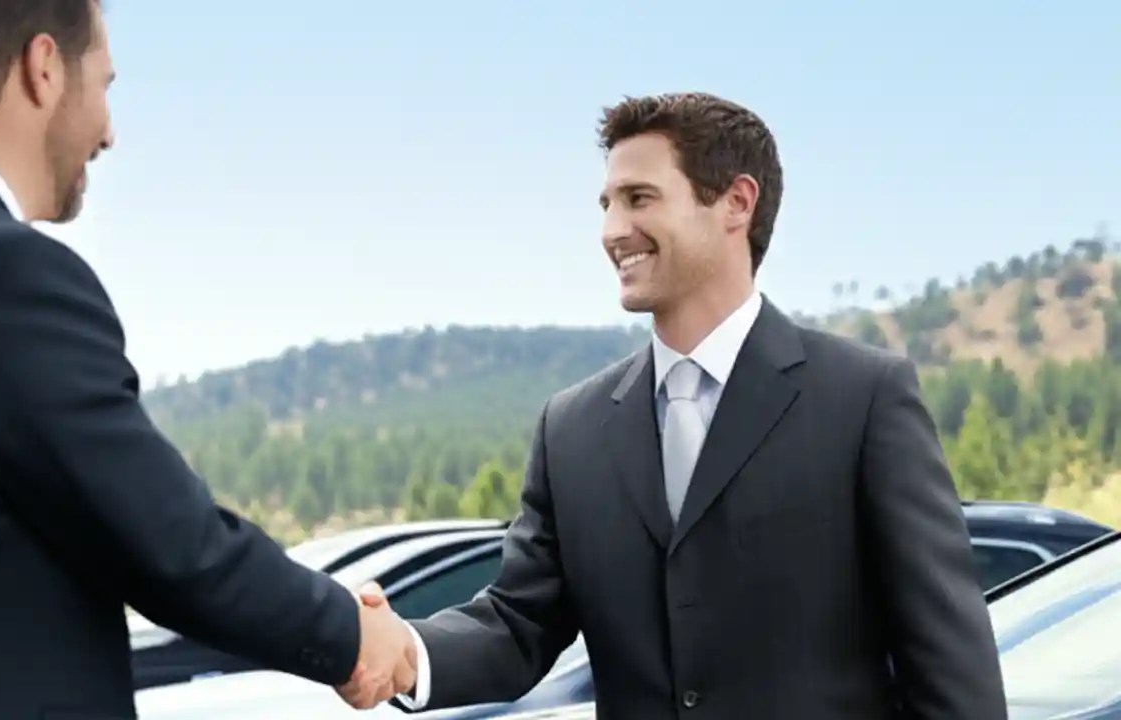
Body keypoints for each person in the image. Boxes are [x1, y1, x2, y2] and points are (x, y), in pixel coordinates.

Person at [346, 92, 1009, 718]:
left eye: (639, 199)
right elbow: (519, 623)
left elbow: (950, 666)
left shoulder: (863, 398)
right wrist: (405, 653)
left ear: (735, 203)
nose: (612, 230)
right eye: (606, 203)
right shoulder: (571, 429)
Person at [0, 2, 413, 718]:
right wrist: (351, 635)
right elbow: (168, 542)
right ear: (43, 68)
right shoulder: (5, 274)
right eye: (104, 85)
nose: (109, 131)